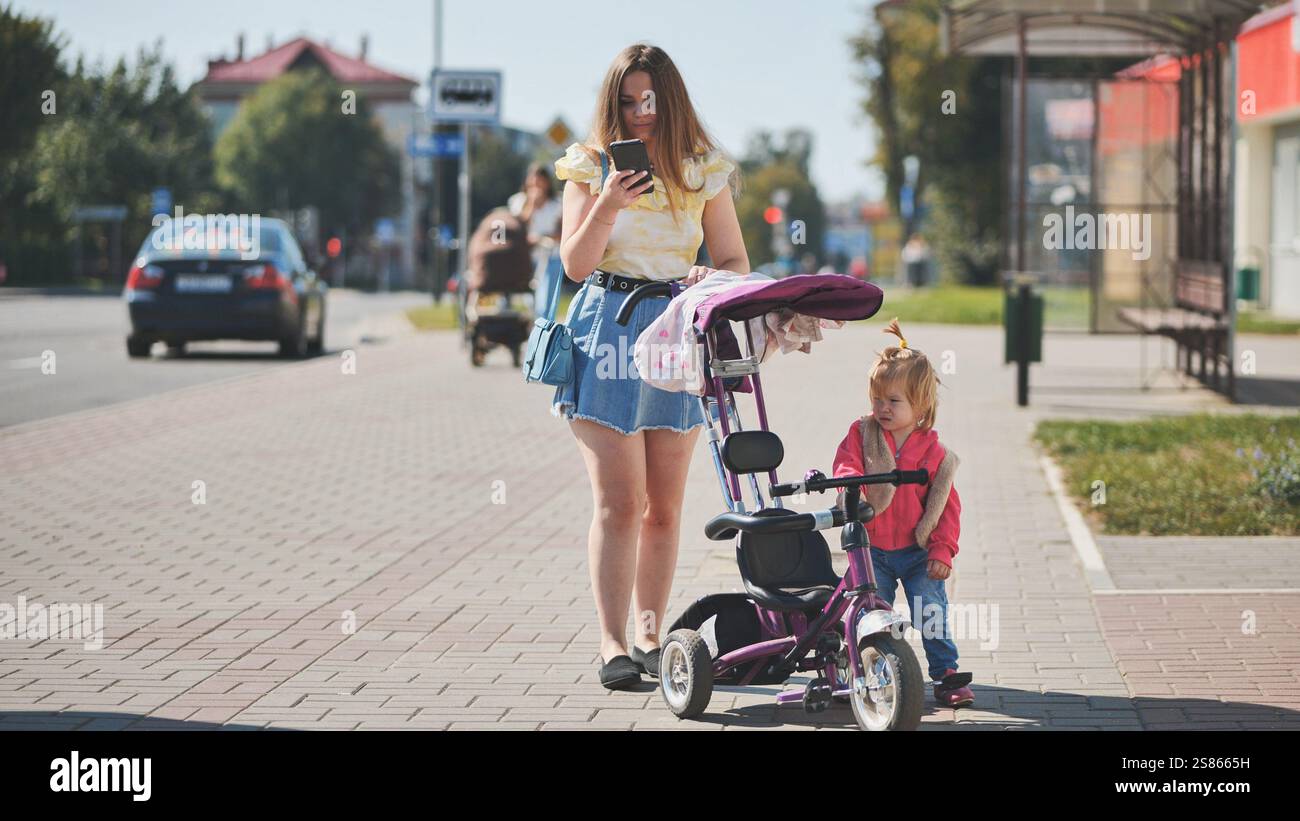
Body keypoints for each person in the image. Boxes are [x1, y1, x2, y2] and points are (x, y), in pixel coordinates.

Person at [551, 43, 747, 689]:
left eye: (651, 100)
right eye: (628, 101)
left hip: (676, 332)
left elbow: (736, 260)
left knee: (663, 506)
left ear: (672, 100)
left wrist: (709, 278)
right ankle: (612, 643)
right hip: (605, 327)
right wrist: (608, 200)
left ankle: (648, 633)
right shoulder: (589, 166)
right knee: (620, 500)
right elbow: (575, 266)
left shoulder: (702, 168)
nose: (640, 113)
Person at [830, 318, 974, 707]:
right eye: (877, 399)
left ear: (921, 406)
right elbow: (844, 466)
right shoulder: (862, 434)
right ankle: (864, 668)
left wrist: (943, 550)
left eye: (894, 401)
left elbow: (946, 506)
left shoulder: (934, 454)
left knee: (931, 611)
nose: (882, 408)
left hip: (917, 552)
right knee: (865, 612)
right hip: (872, 549)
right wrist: (850, 482)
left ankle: (945, 673)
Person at [508, 165, 564, 317]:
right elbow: (517, 227)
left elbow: (563, 231)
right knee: (530, 301)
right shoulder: (518, 202)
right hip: (526, 257)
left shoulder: (557, 203)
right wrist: (531, 206)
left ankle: (543, 329)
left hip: (550, 255)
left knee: (545, 302)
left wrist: (543, 238)